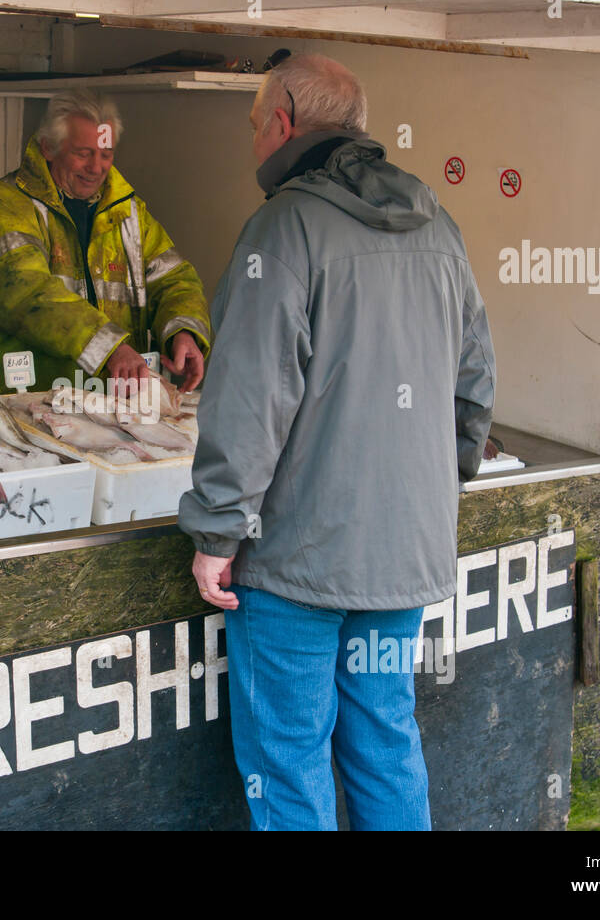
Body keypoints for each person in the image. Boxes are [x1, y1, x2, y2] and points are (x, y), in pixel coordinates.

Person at [177, 51, 496, 831]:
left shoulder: (283, 227)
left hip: (296, 565)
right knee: (385, 740)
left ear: (281, 125)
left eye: (254, 125)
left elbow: (250, 397)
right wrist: (428, 493)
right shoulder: (437, 219)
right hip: (400, 559)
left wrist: (217, 528)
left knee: (288, 761)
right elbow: (475, 381)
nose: (254, 141)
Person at [0, 89, 211, 395]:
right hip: (20, 405)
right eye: (83, 153)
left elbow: (175, 280)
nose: (97, 167)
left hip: (102, 407)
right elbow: (24, 293)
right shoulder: (5, 205)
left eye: (106, 154)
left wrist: (183, 332)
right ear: (48, 148)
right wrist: (108, 347)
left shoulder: (129, 212)